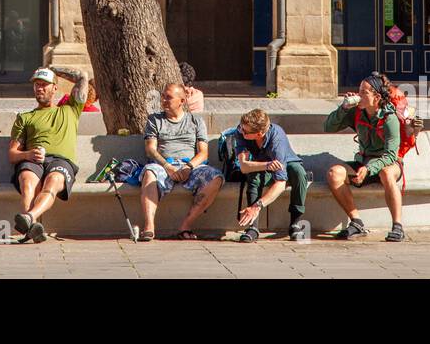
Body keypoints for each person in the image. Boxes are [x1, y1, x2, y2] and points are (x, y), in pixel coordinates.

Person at [8, 65, 89, 243]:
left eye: (45, 84)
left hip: (61, 161)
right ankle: (32, 227)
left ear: (55, 88)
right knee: (28, 181)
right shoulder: (25, 117)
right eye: (37, 84)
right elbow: (13, 154)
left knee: (53, 181)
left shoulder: (70, 110)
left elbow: (83, 76)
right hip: (33, 160)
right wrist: (28, 154)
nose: (39, 88)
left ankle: (28, 218)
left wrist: (52, 68)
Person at [135, 83, 224, 240]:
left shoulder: (196, 121)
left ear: (182, 101)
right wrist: (167, 166)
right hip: (164, 165)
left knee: (216, 177)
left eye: (168, 97)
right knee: (149, 174)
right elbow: (150, 149)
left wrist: (188, 167)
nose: (163, 100)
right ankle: (149, 226)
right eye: (163, 96)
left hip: (190, 166)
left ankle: (186, 225)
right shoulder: (154, 120)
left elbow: (203, 152)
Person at [324, 75, 405, 242]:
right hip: (363, 163)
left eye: (363, 92)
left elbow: (390, 155)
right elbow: (328, 127)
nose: (358, 95)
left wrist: (370, 168)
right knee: (335, 173)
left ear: (376, 96)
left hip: (387, 163)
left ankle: (397, 226)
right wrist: (343, 108)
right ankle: (356, 222)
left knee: (386, 173)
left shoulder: (389, 118)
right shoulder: (357, 112)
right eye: (358, 91)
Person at [233, 108, 308, 241]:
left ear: (259, 133)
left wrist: (257, 206)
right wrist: (266, 165)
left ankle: (295, 224)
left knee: (299, 173)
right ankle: (252, 227)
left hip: (287, 163)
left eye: (245, 131)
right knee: (253, 175)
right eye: (241, 128)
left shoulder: (276, 138)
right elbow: (244, 167)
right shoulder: (240, 132)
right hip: (263, 164)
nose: (241, 131)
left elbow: (281, 181)